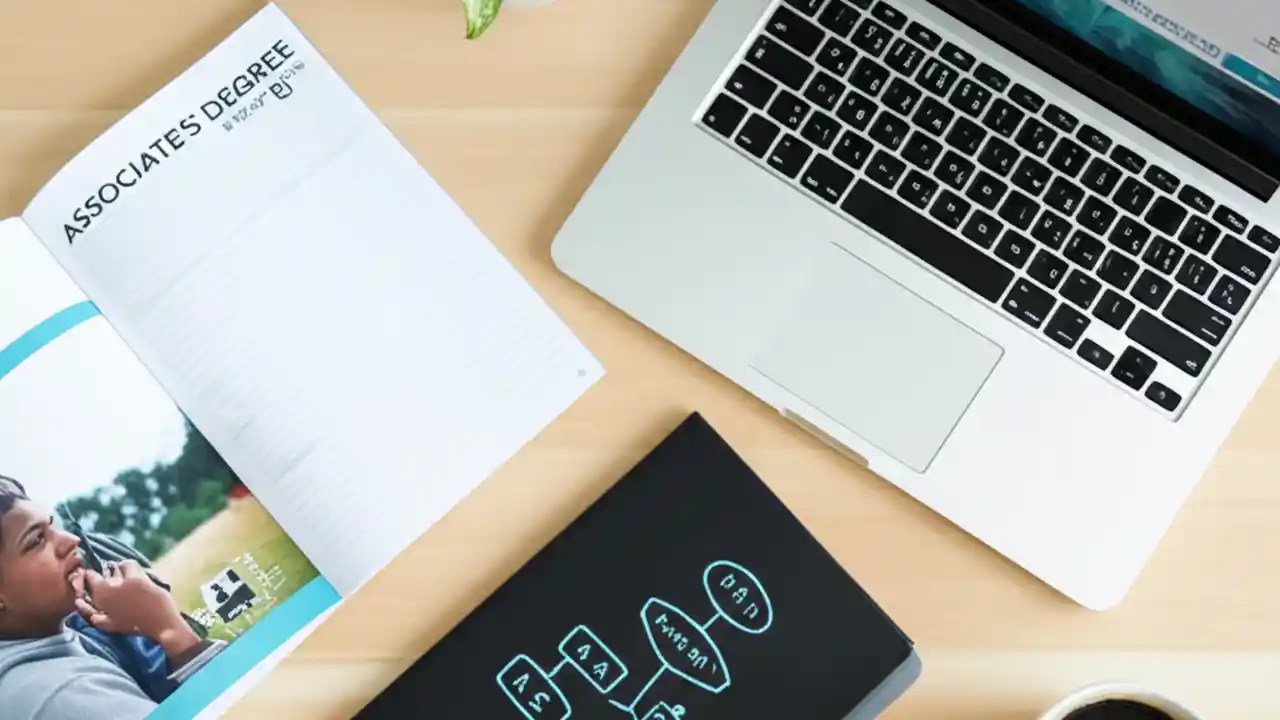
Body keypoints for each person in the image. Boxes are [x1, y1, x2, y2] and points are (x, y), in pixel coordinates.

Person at [0, 475, 223, 719]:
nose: (71, 540)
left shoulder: (48, 641)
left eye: (51, 526)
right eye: (36, 540)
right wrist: (173, 632)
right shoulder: (64, 695)